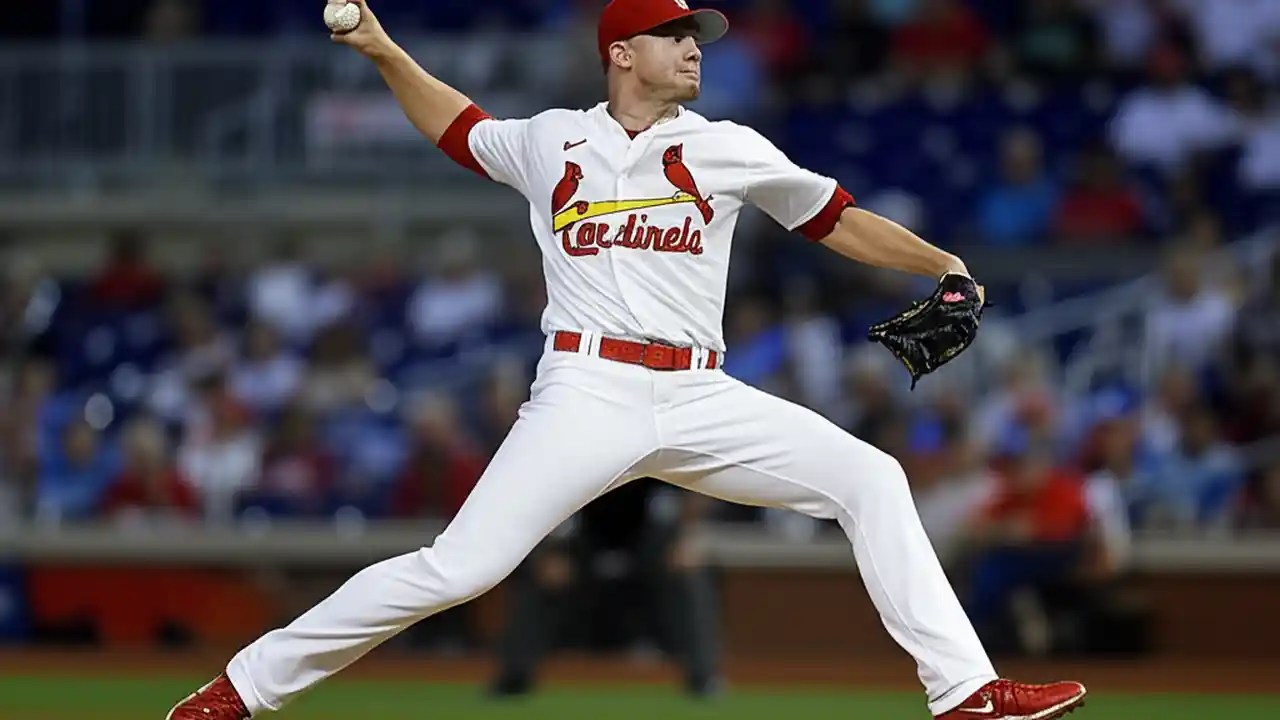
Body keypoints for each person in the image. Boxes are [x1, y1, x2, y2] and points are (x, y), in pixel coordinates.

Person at [166, 2, 1086, 719]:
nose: (693, 48)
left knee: (872, 479)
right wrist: (381, 50)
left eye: (696, 36)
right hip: (585, 389)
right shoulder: (552, 139)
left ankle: (965, 692)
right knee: (459, 569)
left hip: (697, 389)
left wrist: (944, 264)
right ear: (621, 52)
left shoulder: (724, 147)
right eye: (673, 35)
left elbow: (833, 216)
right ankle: (243, 690)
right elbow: (457, 126)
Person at [488, 479, 721, 699]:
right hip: (586, 537)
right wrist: (552, 550)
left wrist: (685, 538)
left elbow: (695, 487)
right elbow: (550, 495)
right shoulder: (580, 451)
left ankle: (703, 676)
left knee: (688, 575)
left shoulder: (653, 444)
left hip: (646, 537)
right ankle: (515, 674)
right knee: (543, 578)